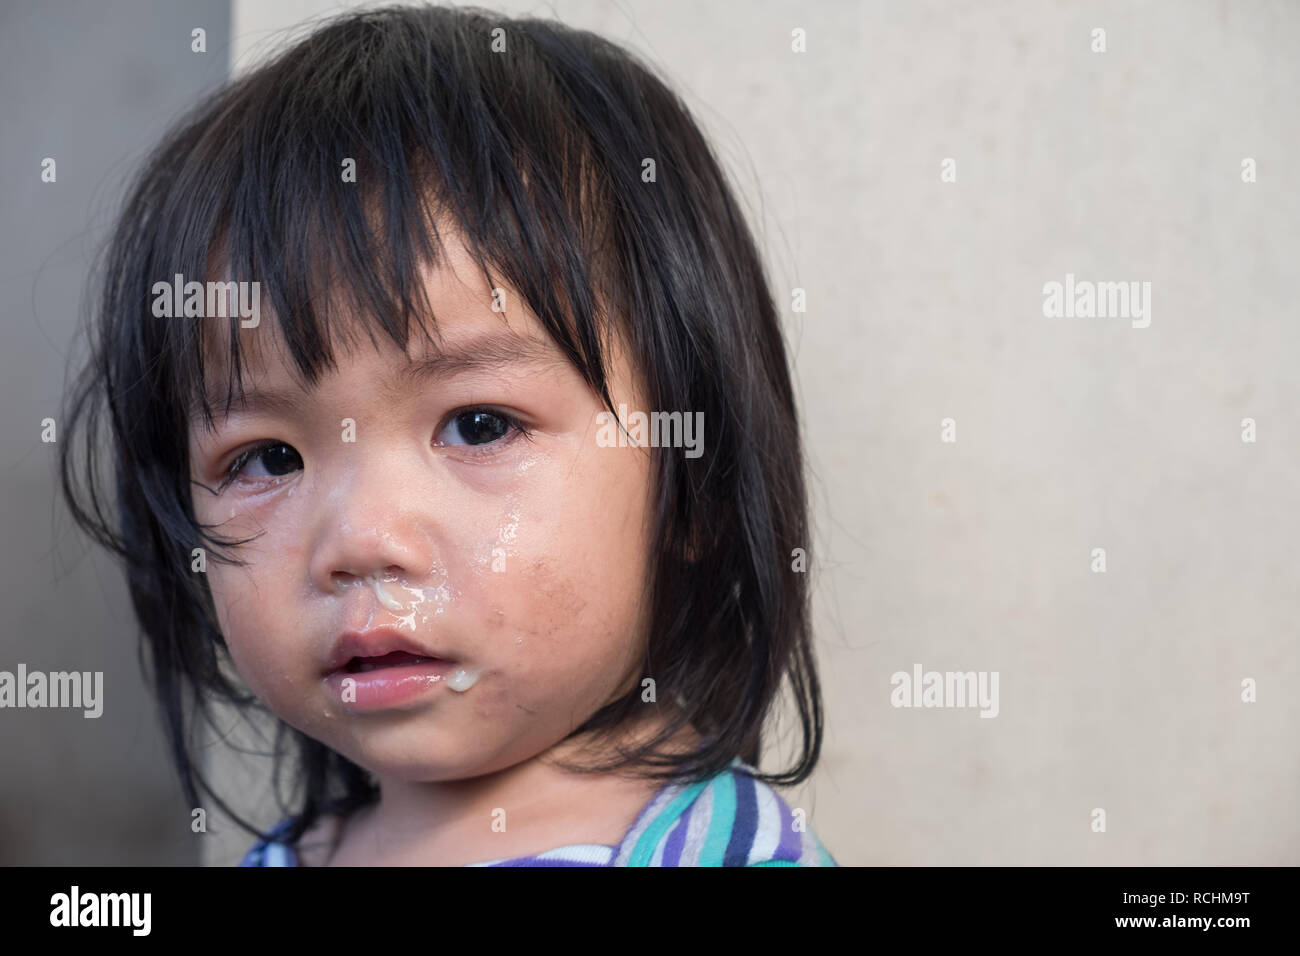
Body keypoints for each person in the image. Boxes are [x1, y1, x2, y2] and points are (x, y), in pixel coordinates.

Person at [59, 3, 834, 867]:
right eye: (268, 458)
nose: (360, 540)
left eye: (479, 425)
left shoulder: (715, 853)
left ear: (693, 484)